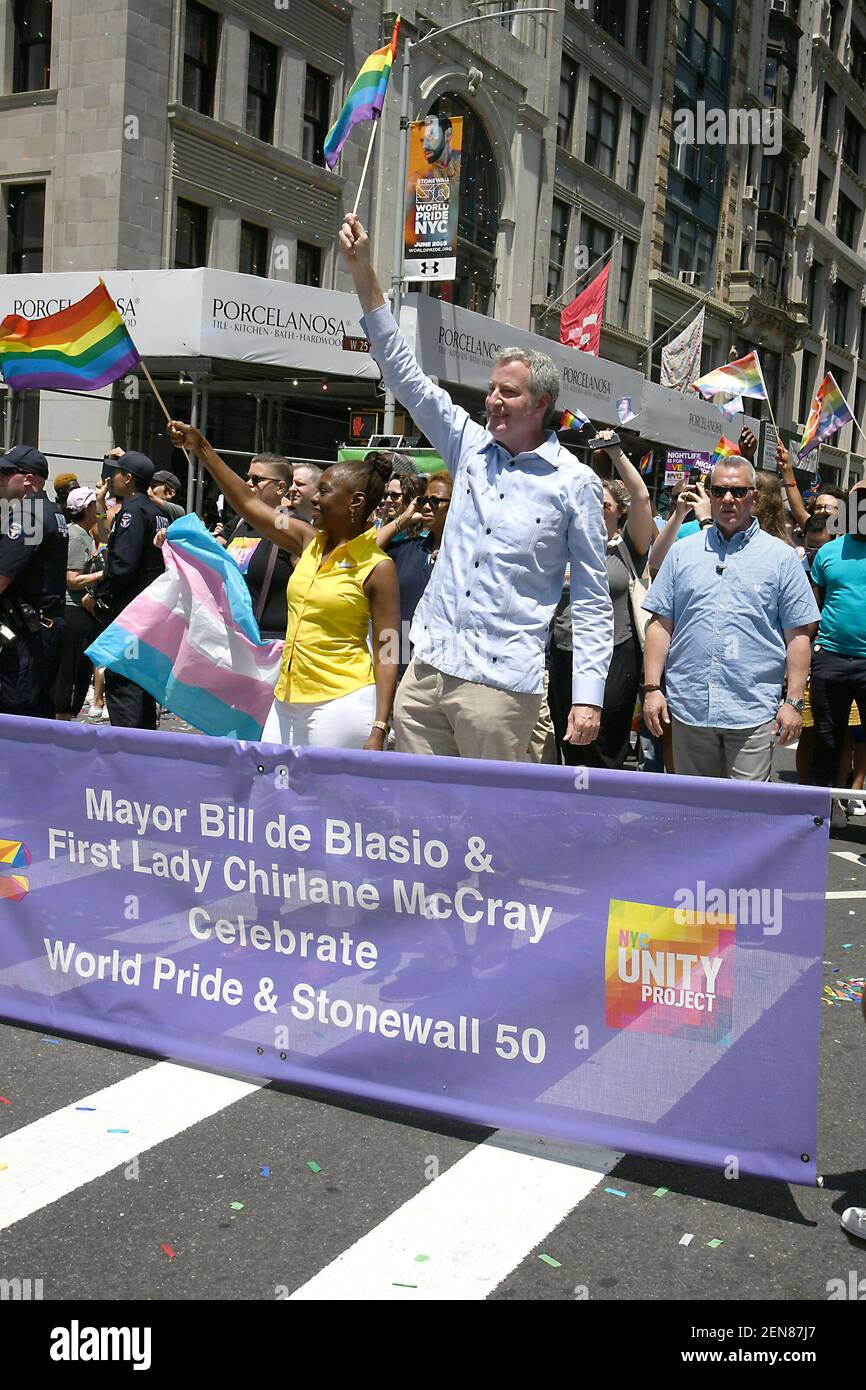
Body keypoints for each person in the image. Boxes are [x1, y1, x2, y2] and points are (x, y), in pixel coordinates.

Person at [338, 212, 613, 762]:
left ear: (540, 404)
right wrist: (362, 271)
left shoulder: (574, 483)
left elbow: (589, 597)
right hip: (428, 671)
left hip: (502, 687)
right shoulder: (467, 445)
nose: (491, 401)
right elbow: (402, 373)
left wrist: (587, 697)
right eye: (490, 390)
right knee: (418, 822)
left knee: (486, 831)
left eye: (506, 393)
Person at [166, 420, 401, 750]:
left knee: (321, 800)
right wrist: (201, 447)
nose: (312, 498)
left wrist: (379, 725)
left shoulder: (378, 566)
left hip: (342, 704)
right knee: (272, 795)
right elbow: (250, 505)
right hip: (286, 700)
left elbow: (388, 647)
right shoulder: (305, 539)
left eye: (324, 491)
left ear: (355, 501)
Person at [642, 454, 819, 780]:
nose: (727, 499)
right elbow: (660, 624)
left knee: (745, 815)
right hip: (689, 707)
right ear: (708, 494)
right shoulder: (682, 552)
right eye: (719, 490)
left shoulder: (781, 558)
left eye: (738, 491)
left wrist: (793, 702)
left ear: (754, 496)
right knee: (693, 809)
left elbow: (798, 637)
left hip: (751, 711)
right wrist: (653, 688)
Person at [548, 432, 654, 769]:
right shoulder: (566, 546)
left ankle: (606, 812)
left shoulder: (626, 547)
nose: (596, 510)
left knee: (603, 744)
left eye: (604, 504)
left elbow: (641, 496)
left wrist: (615, 452)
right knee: (566, 741)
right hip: (564, 654)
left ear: (619, 512)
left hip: (616, 656)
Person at [83, 451, 169, 729]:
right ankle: (143, 746)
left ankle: (127, 750)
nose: (112, 478)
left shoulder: (132, 511)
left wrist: (98, 594)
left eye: (117, 473)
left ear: (128, 479)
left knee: (122, 682)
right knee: (142, 683)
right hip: (150, 611)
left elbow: (122, 565)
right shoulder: (158, 512)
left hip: (128, 613)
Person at [0, 444, 68, 719]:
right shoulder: (51, 512)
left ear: (28, 479)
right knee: (37, 712)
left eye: (5, 473)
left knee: (17, 715)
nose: (0, 480)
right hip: (43, 627)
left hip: (24, 635)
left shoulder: (29, 517)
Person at [807, 482, 866, 792]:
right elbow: (813, 611)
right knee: (827, 739)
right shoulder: (827, 553)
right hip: (829, 659)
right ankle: (824, 811)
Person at [224, 454, 302, 641]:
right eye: (248, 477)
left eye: (256, 479)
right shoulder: (240, 524)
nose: (248, 483)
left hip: (271, 644)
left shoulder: (288, 525)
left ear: (280, 487)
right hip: (232, 637)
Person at [53, 487, 102, 722]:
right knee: (68, 674)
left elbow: (103, 531)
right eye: (95, 504)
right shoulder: (75, 535)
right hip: (72, 612)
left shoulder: (86, 534)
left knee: (78, 674)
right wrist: (102, 574)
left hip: (82, 613)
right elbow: (72, 579)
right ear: (87, 508)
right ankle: (61, 720)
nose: (98, 509)